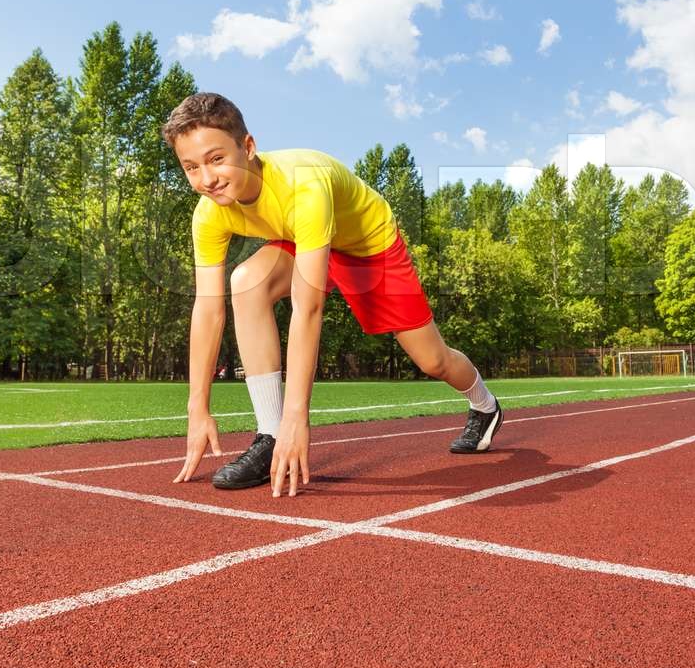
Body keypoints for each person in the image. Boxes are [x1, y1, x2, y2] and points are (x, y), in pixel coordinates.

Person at [164, 92, 503, 497]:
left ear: (248, 147)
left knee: (433, 360)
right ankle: (268, 435)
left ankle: (486, 405)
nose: (206, 178)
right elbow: (207, 308)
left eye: (216, 159)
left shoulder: (303, 186)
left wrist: (298, 417)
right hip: (301, 240)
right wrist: (197, 407)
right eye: (191, 167)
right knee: (246, 282)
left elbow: (308, 308)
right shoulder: (208, 213)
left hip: (368, 246)